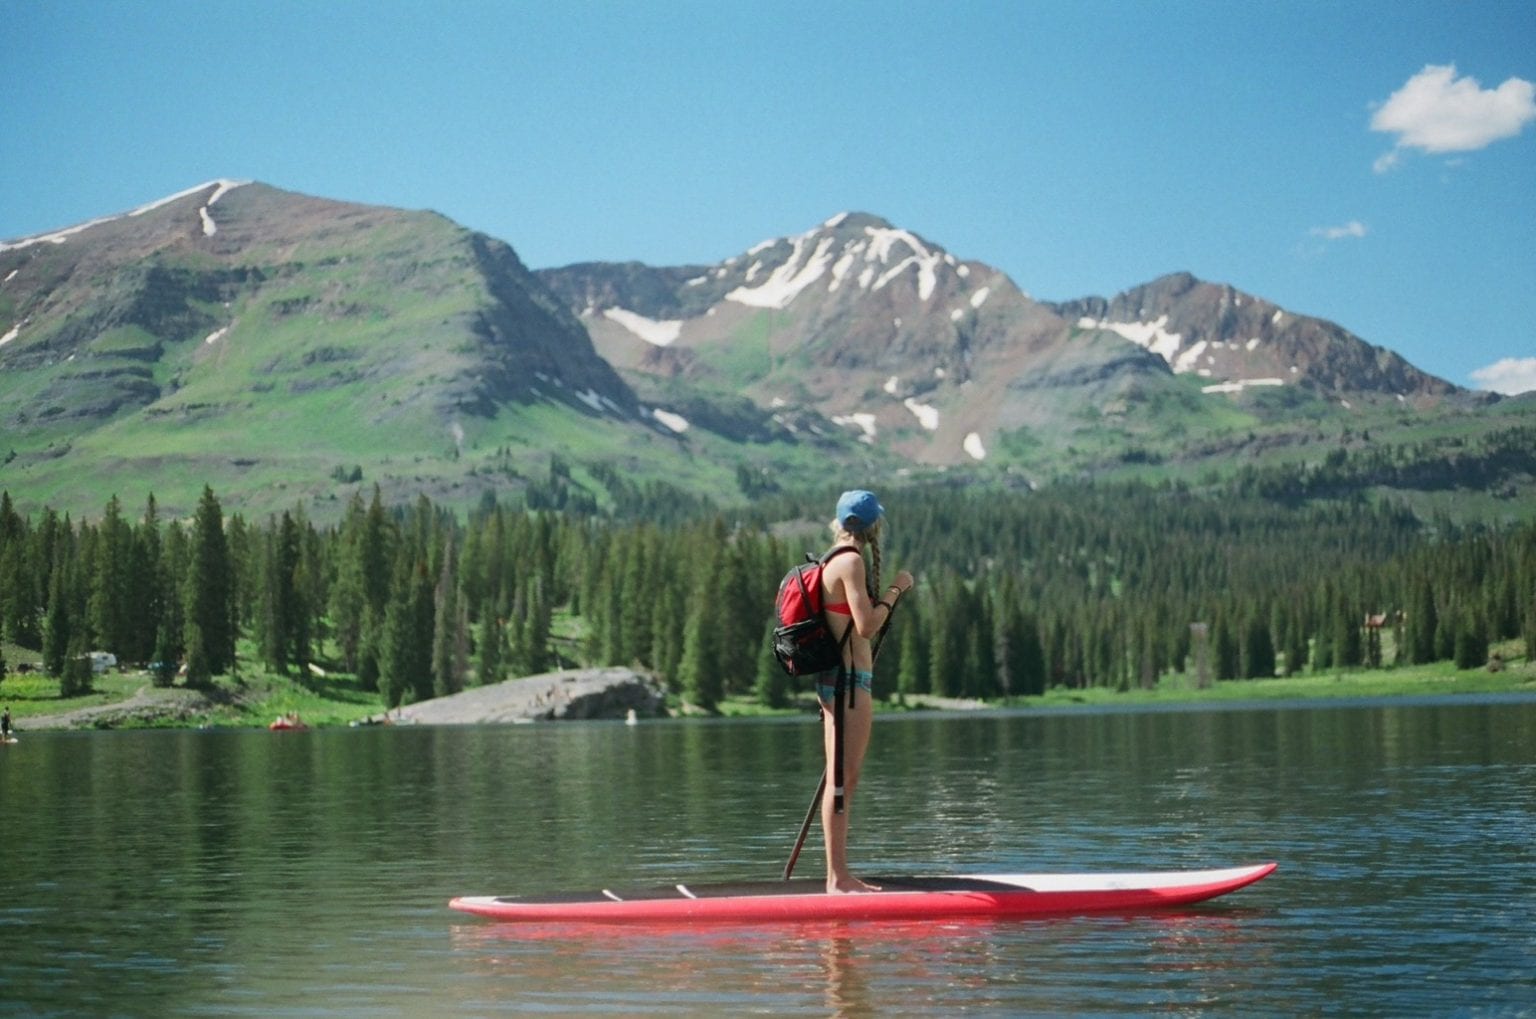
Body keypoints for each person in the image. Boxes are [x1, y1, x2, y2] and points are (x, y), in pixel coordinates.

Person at [817, 489, 913, 893]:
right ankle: (837, 879)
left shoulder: (830, 559)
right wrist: (896, 590)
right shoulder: (851, 561)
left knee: (841, 778)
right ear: (872, 525)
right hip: (848, 686)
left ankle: (837, 876)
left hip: (837, 684)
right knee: (842, 779)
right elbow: (865, 626)